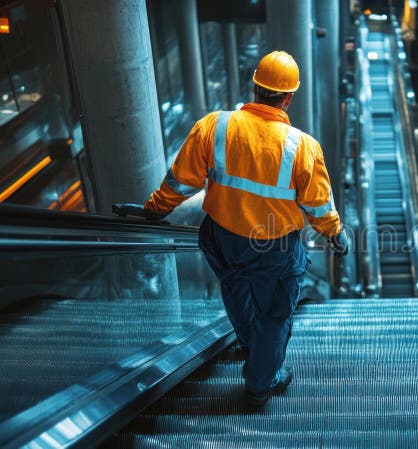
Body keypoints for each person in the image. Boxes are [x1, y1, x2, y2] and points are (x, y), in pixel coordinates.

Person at [112, 50, 350, 406]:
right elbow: (318, 205)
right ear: (289, 97)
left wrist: (153, 212)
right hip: (272, 246)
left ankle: (253, 348)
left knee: (237, 292)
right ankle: (260, 383)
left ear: (255, 86)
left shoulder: (214, 126)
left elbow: (180, 182)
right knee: (276, 312)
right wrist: (335, 234)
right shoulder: (302, 147)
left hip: (221, 237)